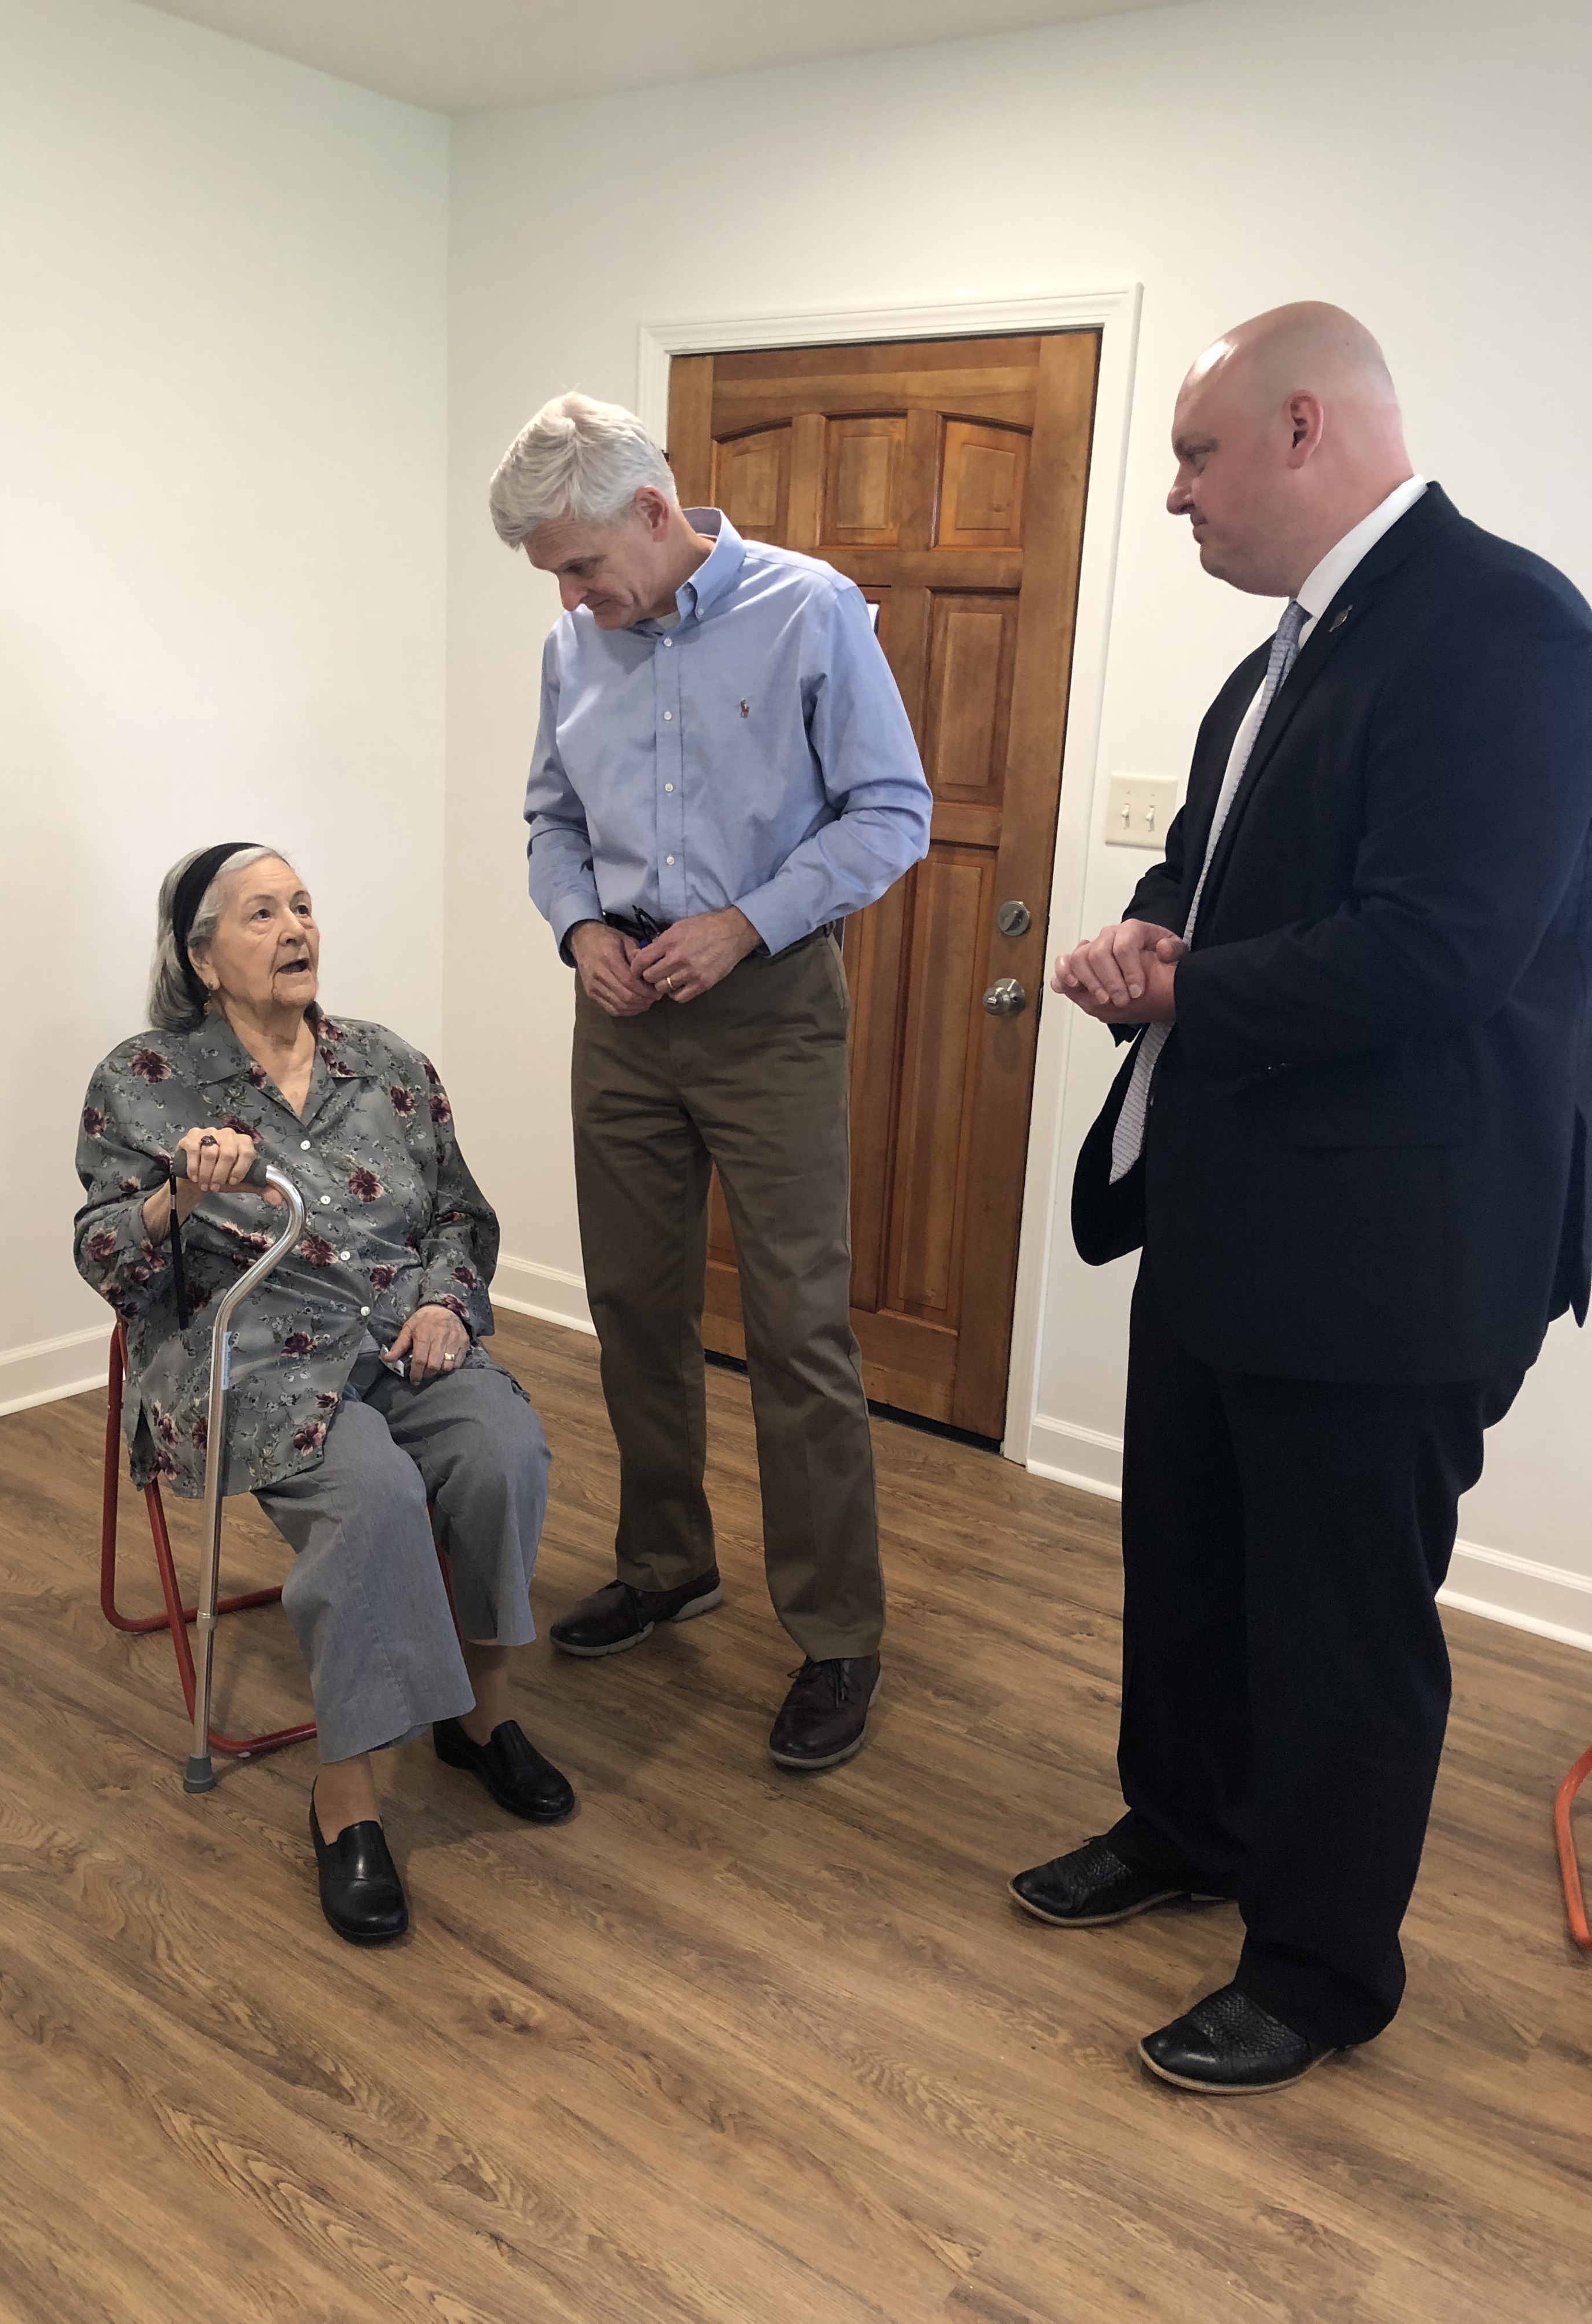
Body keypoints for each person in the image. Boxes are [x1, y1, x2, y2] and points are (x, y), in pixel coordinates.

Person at [1016, 303, 1592, 2094]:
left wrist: (1186, 988)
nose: (1173, 496)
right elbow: (1215, 874)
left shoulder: (1507, 629)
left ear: (1304, 429)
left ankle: (1323, 1968)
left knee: (1343, 1623)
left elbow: (1443, 952)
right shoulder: (1272, 663)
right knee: (1182, 1554)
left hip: (1395, 1248)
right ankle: (1186, 1829)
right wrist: (1146, 935)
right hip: (1231, 1213)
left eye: (1194, 455)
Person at [488, 393, 931, 1771]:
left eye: (578, 564)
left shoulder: (812, 611)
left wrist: (748, 922)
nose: (570, 597)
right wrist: (576, 932)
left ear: (650, 511)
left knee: (798, 1329)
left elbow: (894, 812)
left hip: (770, 1003)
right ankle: (668, 1559)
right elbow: (551, 821)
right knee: (632, 1304)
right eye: (553, 577)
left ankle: (837, 1634)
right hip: (619, 1008)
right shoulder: (576, 642)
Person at [76, 842, 574, 1947]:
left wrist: (448, 1303)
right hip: (253, 1359)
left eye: (302, 907)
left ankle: (481, 1716)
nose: (295, 928)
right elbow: (107, 1257)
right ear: (204, 958)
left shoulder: (388, 1064)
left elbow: (460, 1215)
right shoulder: (146, 1082)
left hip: (405, 1337)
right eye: (260, 915)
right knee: (376, 1503)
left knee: (505, 1454)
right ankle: (344, 1796)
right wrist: (171, 1196)